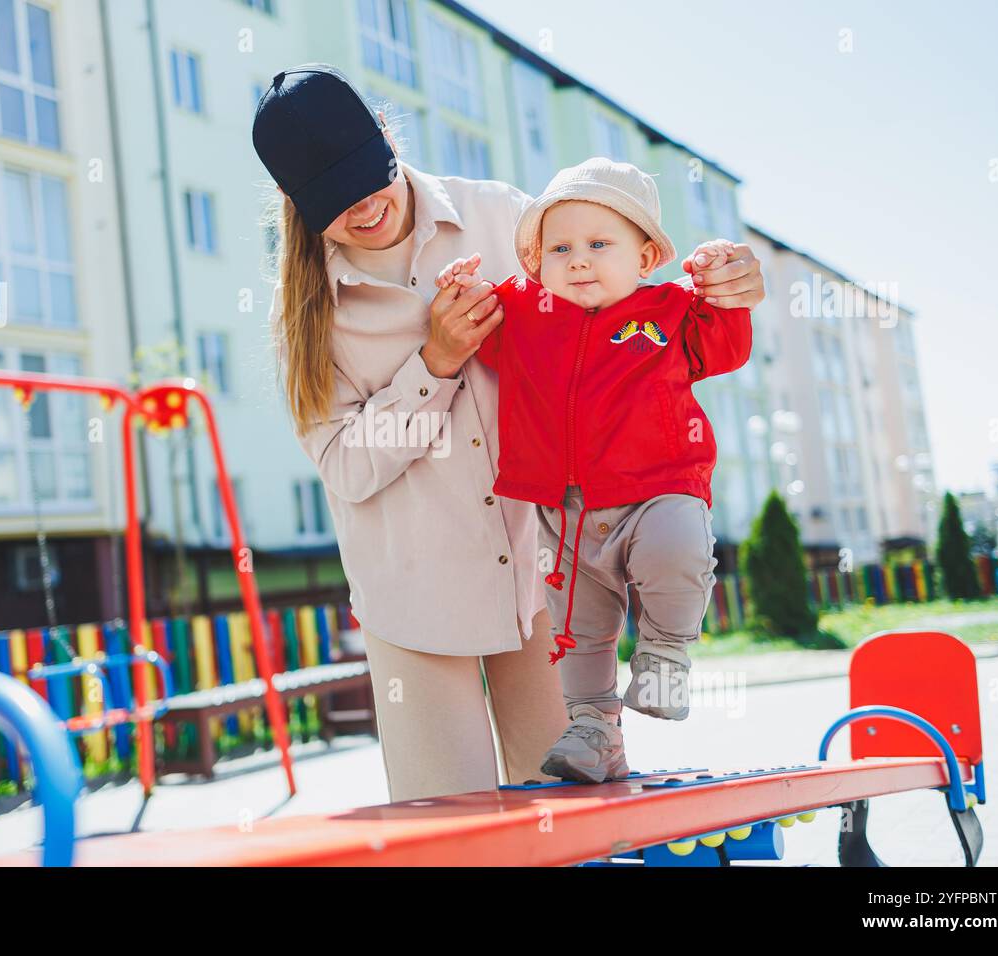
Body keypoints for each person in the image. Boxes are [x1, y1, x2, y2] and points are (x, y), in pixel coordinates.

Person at [251, 64, 766, 802]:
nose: (365, 209)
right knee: (452, 840)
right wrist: (435, 363)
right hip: (415, 604)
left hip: (542, 578)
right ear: (297, 205)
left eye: (373, 178)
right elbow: (345, 467)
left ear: (388, 142)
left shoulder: (505, 218)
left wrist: (723, 290)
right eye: (335, 201)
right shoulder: (307, 315)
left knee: (582, 817)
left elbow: (624, 311)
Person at [436, 157, 752, 784]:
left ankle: (664, 654)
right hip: (566, 513)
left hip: (658, 491)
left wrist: (721, 282)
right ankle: (592, 730)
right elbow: (475, 323)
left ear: (643, 258)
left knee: (678, 553)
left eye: (599, 244)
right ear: (538, 262)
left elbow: (726, 346)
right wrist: (458, 291)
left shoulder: (669, 310)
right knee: (577, 633)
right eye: (559, 248)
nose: (578, 260)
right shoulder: (524, 311)